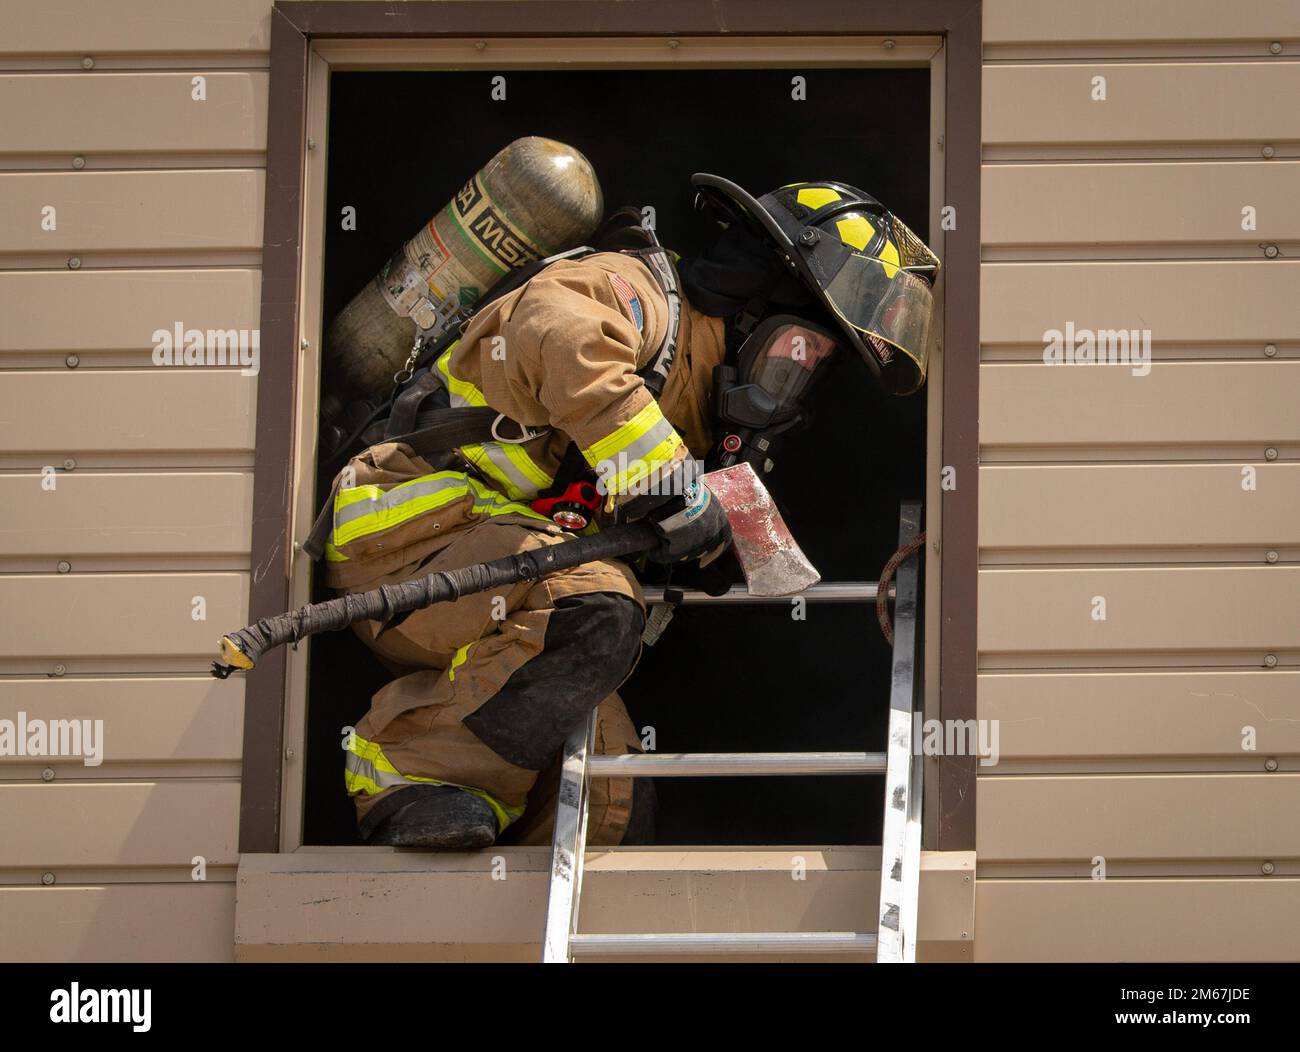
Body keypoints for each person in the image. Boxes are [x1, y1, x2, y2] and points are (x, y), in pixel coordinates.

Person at [321, 173, 940, 849]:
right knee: (597, 605)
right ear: (761, 297)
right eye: (808, 348)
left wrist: (707, 538)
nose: (804, 375)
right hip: (401, 538)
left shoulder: (698, 400)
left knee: (610, 788)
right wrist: (665, 481)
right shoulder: (641, 294)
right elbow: (555, 331)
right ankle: (404, 768)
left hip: (505, 588)